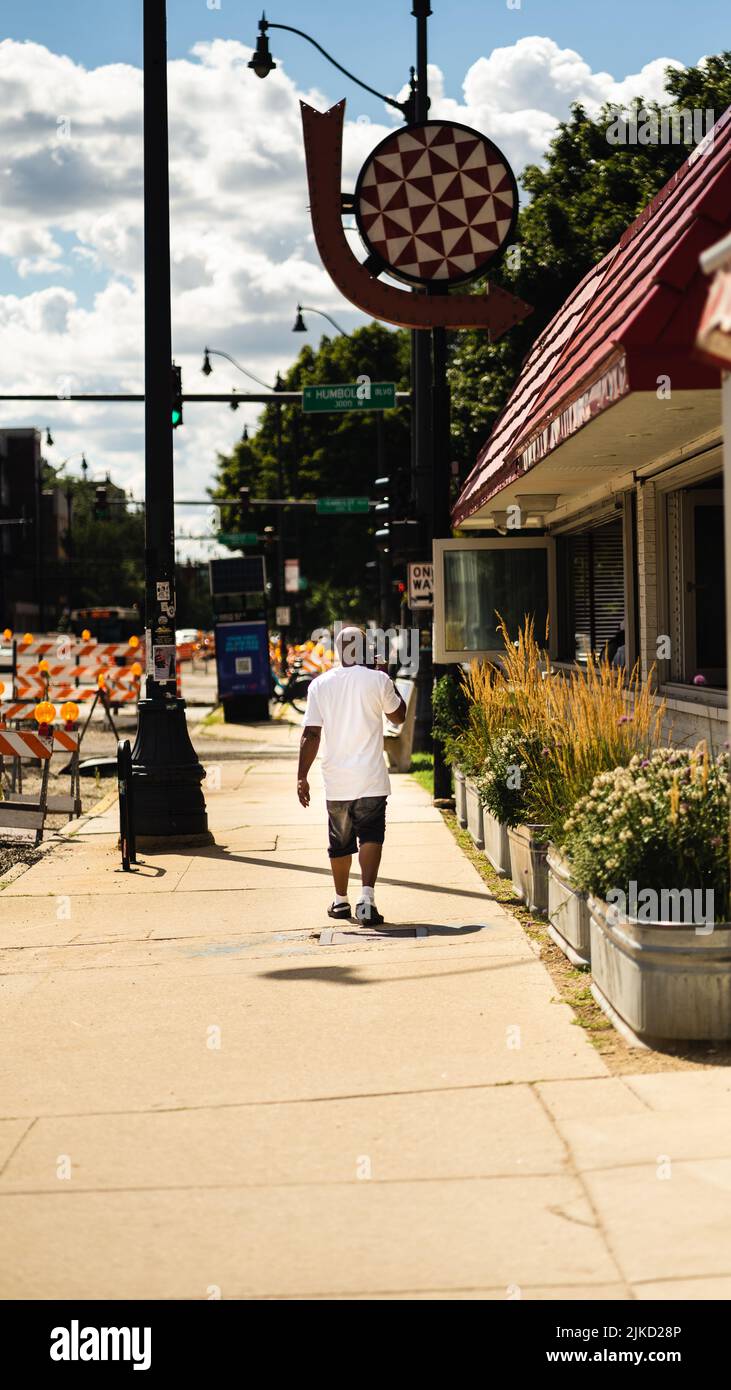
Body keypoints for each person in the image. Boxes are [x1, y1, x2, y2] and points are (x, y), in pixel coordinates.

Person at [296, 625, 406, 926]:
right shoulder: (378, 679)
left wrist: (301, 777)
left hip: (337, 781)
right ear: (366, 649)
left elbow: (311, 734)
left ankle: (341, 901)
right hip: (371, 778)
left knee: (340, 841)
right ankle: (367, 899)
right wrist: (385, 675)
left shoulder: (320, 685)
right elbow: (399, 716)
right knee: (371, 835)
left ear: (339, 650)